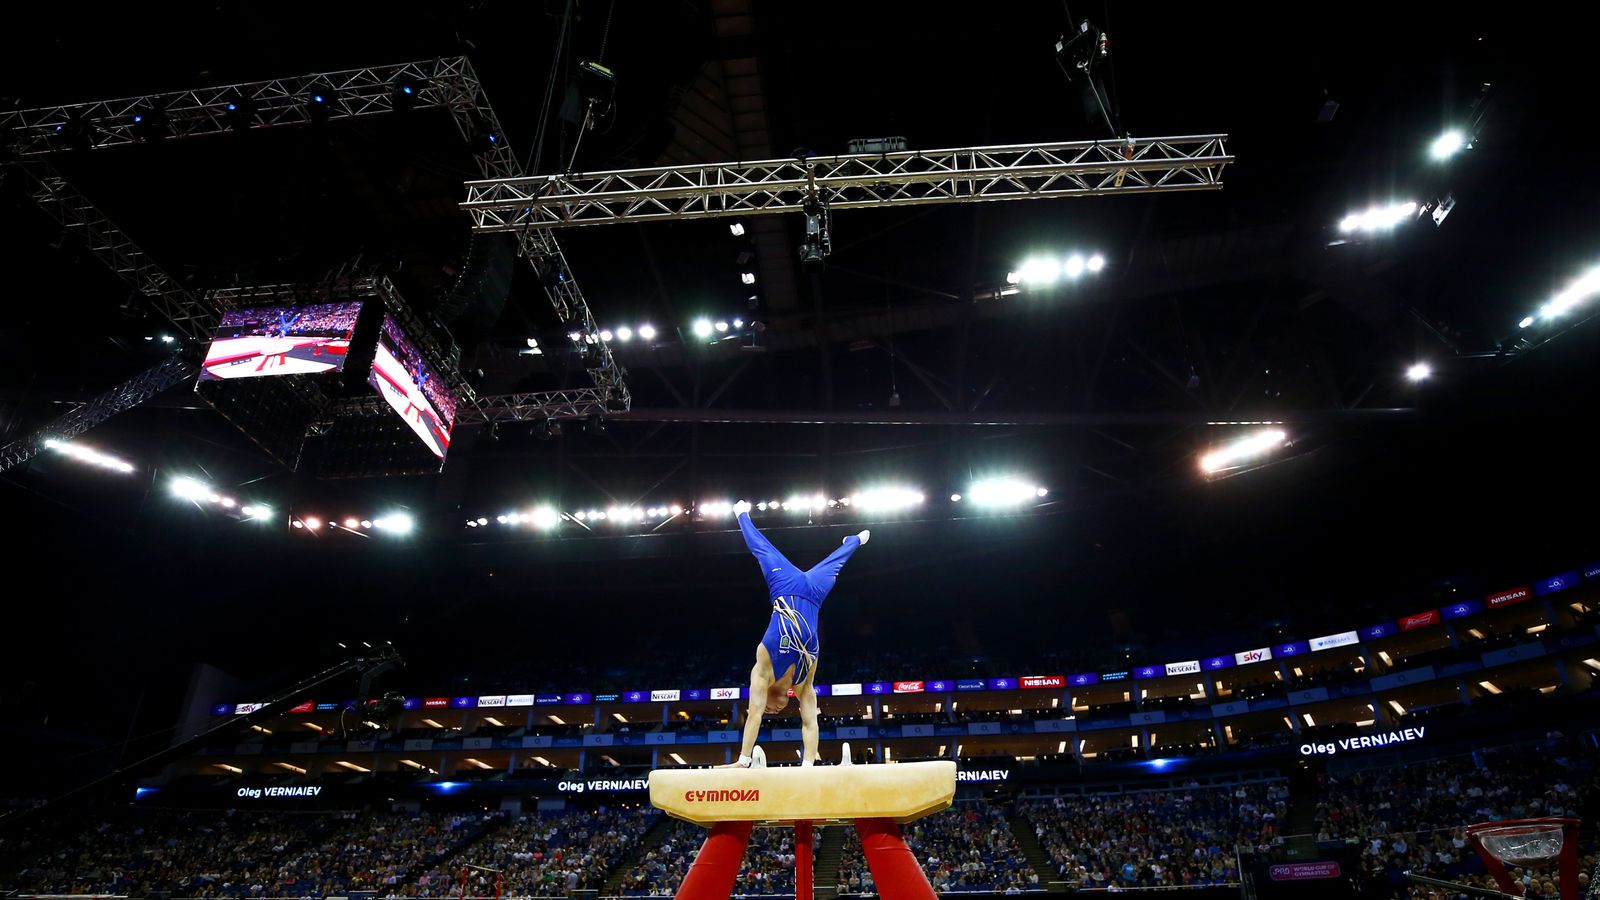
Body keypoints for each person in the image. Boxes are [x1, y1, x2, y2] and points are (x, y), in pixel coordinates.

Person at [720, 500, 869, 768]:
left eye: (768, 708)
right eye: (773, 710)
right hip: (814, 595)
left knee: (762, 550)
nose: (771, 710)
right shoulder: (803, 683)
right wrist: (808, 765)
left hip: (784, 585)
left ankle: (741, 514)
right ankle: (853, 541)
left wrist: (744, 760)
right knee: (837, 565)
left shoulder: (762, 670)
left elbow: (753, 714)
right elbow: (810, 721)